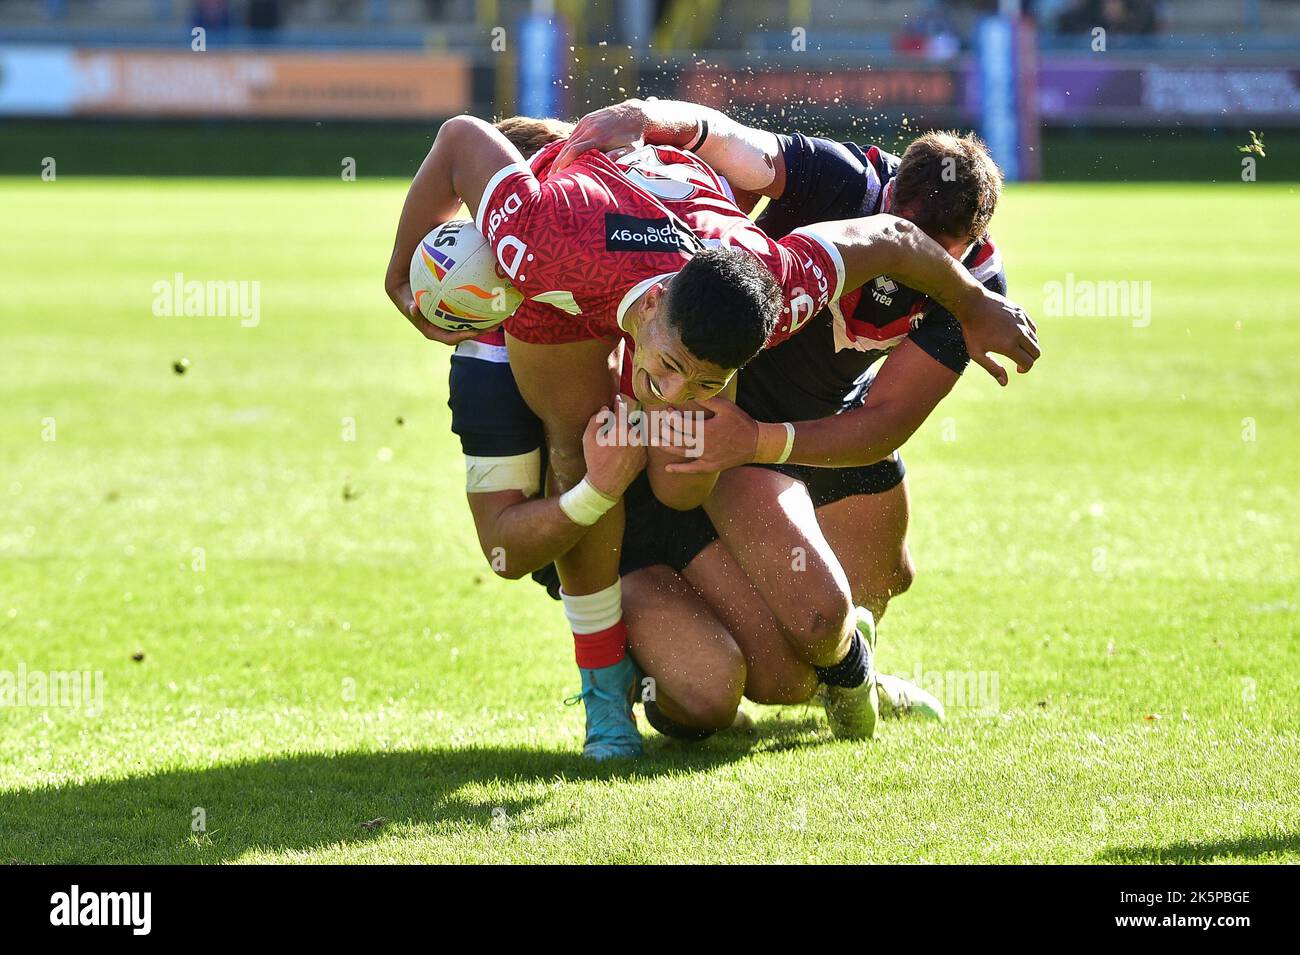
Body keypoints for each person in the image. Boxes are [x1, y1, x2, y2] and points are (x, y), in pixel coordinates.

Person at [384, 112, 1038, 750]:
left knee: (706, 519)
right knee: (583, 445)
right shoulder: (541, 241)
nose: (673, 394)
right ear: (650, 311)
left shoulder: (783, 284)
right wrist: (398, 276)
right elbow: (462, 136)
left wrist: (974, 302)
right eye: (670, 369)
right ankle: (606, 695)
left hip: (683, 273)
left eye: (707, 381)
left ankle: (826, 658)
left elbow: (892, 239)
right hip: (583, 259)